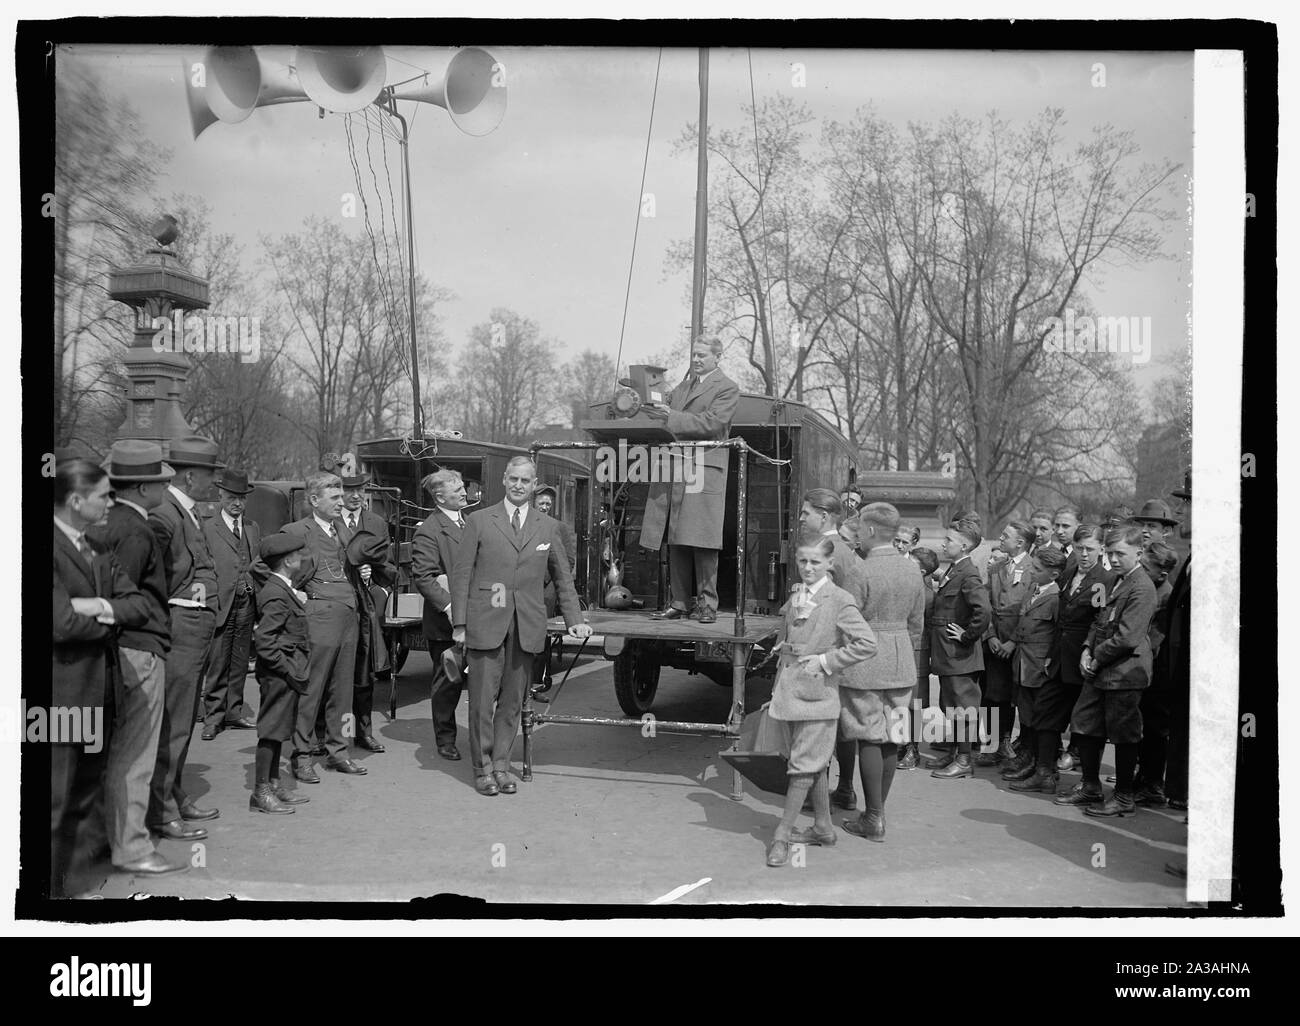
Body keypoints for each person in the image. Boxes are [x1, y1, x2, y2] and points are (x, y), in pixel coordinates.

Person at [450, 457, 592, 796]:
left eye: (525, 481)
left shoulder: (547, 526)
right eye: (513, 479)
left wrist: (575, 620)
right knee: (483, 701)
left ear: (534, 484)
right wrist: (460, 623)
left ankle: (501, 765)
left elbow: (562, 578)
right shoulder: (479, 521)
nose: (518, 485)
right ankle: (482, 769)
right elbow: (462, 574)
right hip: (486, 622)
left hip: (526, 625)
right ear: (504, 480)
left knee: (513, 702)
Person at [52, 459, 148, 896]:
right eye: (103, 495)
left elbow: (137, 604)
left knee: (84, 794)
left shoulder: (98, 546)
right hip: (59, 699)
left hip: (99, 691)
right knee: (56, 798)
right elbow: (61, 625)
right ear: (75, 500)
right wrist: (106, 615)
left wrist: (92, 606)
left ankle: (73, 886)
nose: (111, 502)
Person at [89, 441, 186, 877]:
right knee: (135, 754)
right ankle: (130, 847)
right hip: (138, 649)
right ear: (144, 486)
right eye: (162, 479)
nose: (168, 484)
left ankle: (111, 840)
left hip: (126, 647)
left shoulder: (113, 521)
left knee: (119, 751)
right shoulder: (136, 530)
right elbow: (122, 596)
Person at [763, 528, 876, 867]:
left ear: (829, 563)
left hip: (817, 695)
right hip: (789, 690)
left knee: (801, 767)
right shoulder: (798, 592)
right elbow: (793, 629)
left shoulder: (840, 599)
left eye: (815, 562)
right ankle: (824, 828)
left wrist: (827, 661)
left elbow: (867, 643)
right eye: (802, 561)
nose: (808, 568)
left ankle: (781, 836)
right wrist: (782, 643)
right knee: (811, 763)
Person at [147, 433, 223, 841]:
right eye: (210, 473)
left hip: (193, 632)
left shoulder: (185, 510)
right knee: (173, 724)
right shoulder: (165, 514)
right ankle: (160, 811)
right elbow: (152, 579)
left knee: (183, 722)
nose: (213, 481)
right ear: (192, 475)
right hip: (179, 631)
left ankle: (173, 794)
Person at [1056, 525, 1157, 817]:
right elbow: (1099, 620)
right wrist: (1087, 648)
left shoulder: (1142, 587)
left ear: (1139, 552)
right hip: (1101, 668)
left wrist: (1095, 657)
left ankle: (1124, 796)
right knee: (1085, 724)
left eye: (1119, 554)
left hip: (1125, 672)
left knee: (1124, 734)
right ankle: (1090, 787)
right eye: (1110, 553)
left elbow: (1127, 637)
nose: (1113, 559)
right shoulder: (1114, 581)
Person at [838, 504, 924, 843]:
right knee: (891, 737)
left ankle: (873, 818)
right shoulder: (912, 570)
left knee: (868, 734)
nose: (858, 535)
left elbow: (847, 619)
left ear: (872, 531)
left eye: (860, 529)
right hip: (901, 659)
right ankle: (877, 813)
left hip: (866, 659)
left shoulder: (860, 571)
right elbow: (916, 624)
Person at [640, 336, 740, 624]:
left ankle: (707, 605)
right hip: (677, 468)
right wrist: (647, 401)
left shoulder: (728, 388)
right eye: (693, 355)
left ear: (717, 357)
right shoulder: (682, 388)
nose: (696, 359)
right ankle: (680, 603)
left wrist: (670, 416)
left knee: (703, 540)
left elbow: (712, 424)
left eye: (702, 355)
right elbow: (666, 414)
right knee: (676, 537)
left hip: (705, 468)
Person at [282, 472, 367, 781]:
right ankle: (301, 754)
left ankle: (339, 751)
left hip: (348, 618)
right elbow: (264, 569)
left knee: (343, 692)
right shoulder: (296, 531)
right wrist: (295, 594)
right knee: (311, 690)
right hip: (318, 619)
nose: (341, 501)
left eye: (341, 495)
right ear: (314, 500)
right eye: (334, 497)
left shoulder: (343, 531)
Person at [249, 533, 313, 814]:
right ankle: (261, 791)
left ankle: (273, 785)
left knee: (279, 731)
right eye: (298, 554)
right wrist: (286, 669)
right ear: (288, 560)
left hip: (285, 672)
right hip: (280, 674)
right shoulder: (276, 592)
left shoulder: (281, 586)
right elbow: (265, 641)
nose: (302, 556)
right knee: (271, 731)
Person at [924, 521, 991, 778]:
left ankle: (964, 759)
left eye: (949, 540)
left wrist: (968, 635)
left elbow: (983, 611)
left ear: (963, 545)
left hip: (959, 654)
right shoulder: (955, 569)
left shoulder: (968, 573)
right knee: (950, 704)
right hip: (949, 654)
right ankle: (955, 753)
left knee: (963, 707)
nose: (944, 544)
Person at [411, 469, 470, 761]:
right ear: (439, 496)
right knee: (448, 682)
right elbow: (423, 577)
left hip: (475, 618)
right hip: (445, 624)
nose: (464, 492)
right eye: (457, 489)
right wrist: (450, 608)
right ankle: (445, 739)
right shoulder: (429, 530)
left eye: (463, 487)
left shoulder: (467, 523)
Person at [200, 468, 262, 740]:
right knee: (217, 662)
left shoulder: (252, 527)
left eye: (242, 498)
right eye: (232, 497)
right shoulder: (207, 527)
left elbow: (257, 563)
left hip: (246, 603)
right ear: (221, 495)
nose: (237, 503)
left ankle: (233, 712)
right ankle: (212, 718)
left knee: (239, 661)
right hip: (220, 604)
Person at [338, 472, 396, 755]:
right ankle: (334, 735)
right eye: (349, 490)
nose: (355, 495)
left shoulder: (376, 523)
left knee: (364, 675)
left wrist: (374, 575)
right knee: (337, 676)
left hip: (366, 611)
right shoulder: (331, 521)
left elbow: (389, 566)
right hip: (337, 607)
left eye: (359, 489)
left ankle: (363, 733)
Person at [1052, 525, 1114, 773]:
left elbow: (1099, 618)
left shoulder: (1103, 581)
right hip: (1060, 649)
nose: (1084, 554)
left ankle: (1075, 751)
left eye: (1090, 549)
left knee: (1083, 705)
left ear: (1101, 549)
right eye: (1080, 548)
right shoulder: (1067, 574)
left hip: (1082, 650)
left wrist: (1088, 649)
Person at [1005, 547, 1067, 794]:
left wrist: (1050, 662)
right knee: (1027, 715)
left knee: (1041, 718)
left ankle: (1045, 770)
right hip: (1023, 662)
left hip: (1040, 666)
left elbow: (1057, 635)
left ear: (1053, 574)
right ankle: (1030, 762)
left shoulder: (1056, 598)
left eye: (1037, 569)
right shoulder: (1034, 589)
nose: (1031, 571)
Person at [977, 521, 1035, 767]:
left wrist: (1012, 641)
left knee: (1012, 698)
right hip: (993, 643)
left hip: (1016, 646)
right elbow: (986, 603)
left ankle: (1007, 743)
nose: (1000, 539)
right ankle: (991, 746)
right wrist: (989, 635)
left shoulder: (1034, 569)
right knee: (991, 695)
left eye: (1005, 536)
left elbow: (1030, 610)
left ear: (1020, 542)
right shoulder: (997, 568)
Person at [1131, 540, 1179, 806]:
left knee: (1154, 729)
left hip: (1155, 672)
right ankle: (1145, 778)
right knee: (1145, 728)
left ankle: (1152, 783)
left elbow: (1155, 638)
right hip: (1147, 668)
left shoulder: (1164, 595)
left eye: (1146, 567)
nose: (1141, 570)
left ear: (1162, 574)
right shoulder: (1149, 587)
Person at [900, 546, 941, 770]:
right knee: (900, 702)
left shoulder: (927, 596)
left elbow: (930, 628)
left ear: (923, 572)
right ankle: (902, 744)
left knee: (914, 704)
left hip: (917, 652)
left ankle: (912, 750)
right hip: (905, 650)